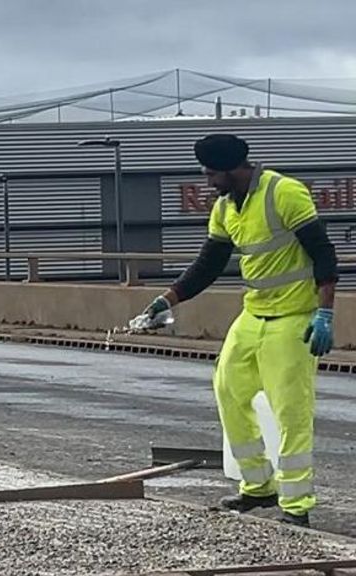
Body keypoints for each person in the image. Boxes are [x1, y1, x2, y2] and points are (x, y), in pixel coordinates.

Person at [137, 134, 338, 527]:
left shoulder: (285, 193)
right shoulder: (226, 207)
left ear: (232, 168)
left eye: (212, 173)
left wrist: (325, 314)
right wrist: (167, 300)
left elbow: (323, 253)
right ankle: (257, 486)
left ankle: (296, 506)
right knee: (229, 390)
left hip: (294, 318)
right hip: (253, 315)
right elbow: (208, 265)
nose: (208, 179)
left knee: (290, 411)